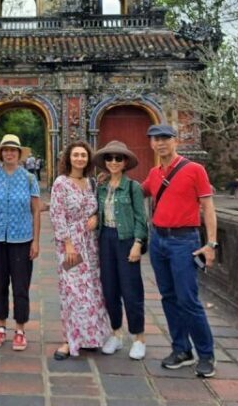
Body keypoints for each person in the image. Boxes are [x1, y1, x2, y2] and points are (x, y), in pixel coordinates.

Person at [142, 123, 218, 378]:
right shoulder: (154, 174)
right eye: (155, 139)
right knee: (168, 296)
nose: (160, 143)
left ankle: (206, 354)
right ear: (151, 144)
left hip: (184, 241)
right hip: (159, 240)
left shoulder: (194, 170)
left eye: (165, 138)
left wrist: (211, 243)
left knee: (188, 298)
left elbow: (208, 207)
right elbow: (132, 193)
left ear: (175, 141)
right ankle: (181, 349)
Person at [49, 140, 111, 360]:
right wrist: (67, 244)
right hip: (70, 245)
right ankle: (69, 340)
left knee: (92, 290)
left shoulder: (91, 182)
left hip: (91, 245)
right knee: (72, 291)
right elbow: (56, 215)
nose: (79, 159)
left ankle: (90, 336)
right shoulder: (61, 183)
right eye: (75, 155)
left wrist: (95, 217)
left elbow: (98, 207)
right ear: (68, 158)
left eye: (83, 155)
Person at [0, 134, 41, 351]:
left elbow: (36, 211)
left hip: (22, 238)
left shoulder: (29, 179)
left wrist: (36, 241)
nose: (10, 153)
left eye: (13, 150)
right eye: (6, 150)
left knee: (21, 285)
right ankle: (0, 326)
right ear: (1, 154)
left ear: (20, 154)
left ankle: (20, 329)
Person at [93, 141, 148, 360]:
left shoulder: (133, 187)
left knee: (131, 290)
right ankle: (116, 333)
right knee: (110, 289)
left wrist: (137, 242)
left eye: (118, 158)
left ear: (125, 162)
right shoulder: (101, 186)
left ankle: (139, 338)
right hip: (105, 238)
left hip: (126, 239)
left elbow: (141, 218)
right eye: (109, 158)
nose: (113, 162)